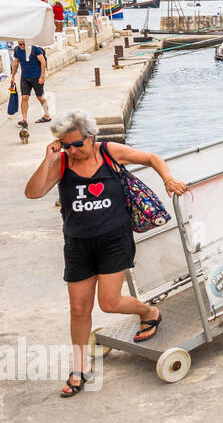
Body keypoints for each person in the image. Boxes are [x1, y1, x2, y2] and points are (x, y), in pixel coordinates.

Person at [24, 110, 187, 397]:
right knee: (78, 308)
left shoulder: (109, 152)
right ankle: (79, 368)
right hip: (77, 244)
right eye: (66, 145)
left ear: (91, 137)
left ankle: (149, 311)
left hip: (114, 239)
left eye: (77, 144)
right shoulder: (61, 162)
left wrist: (168, 179)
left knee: (109, 303)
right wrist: (48, 158)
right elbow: (33, 193)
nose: (72, 150)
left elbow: (151, 158)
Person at [10, 39, 51, 129]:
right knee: (24, 97)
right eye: (20, 44)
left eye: (23, 44)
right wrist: (12, 76)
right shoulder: (17, 50)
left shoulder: (34, 49)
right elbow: (15, 63)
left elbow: (43, 62)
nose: (22, 46)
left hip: (36, 77)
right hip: (24, 77)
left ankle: (47, 115)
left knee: (40, 97)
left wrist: (42, 76)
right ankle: (24, 120)